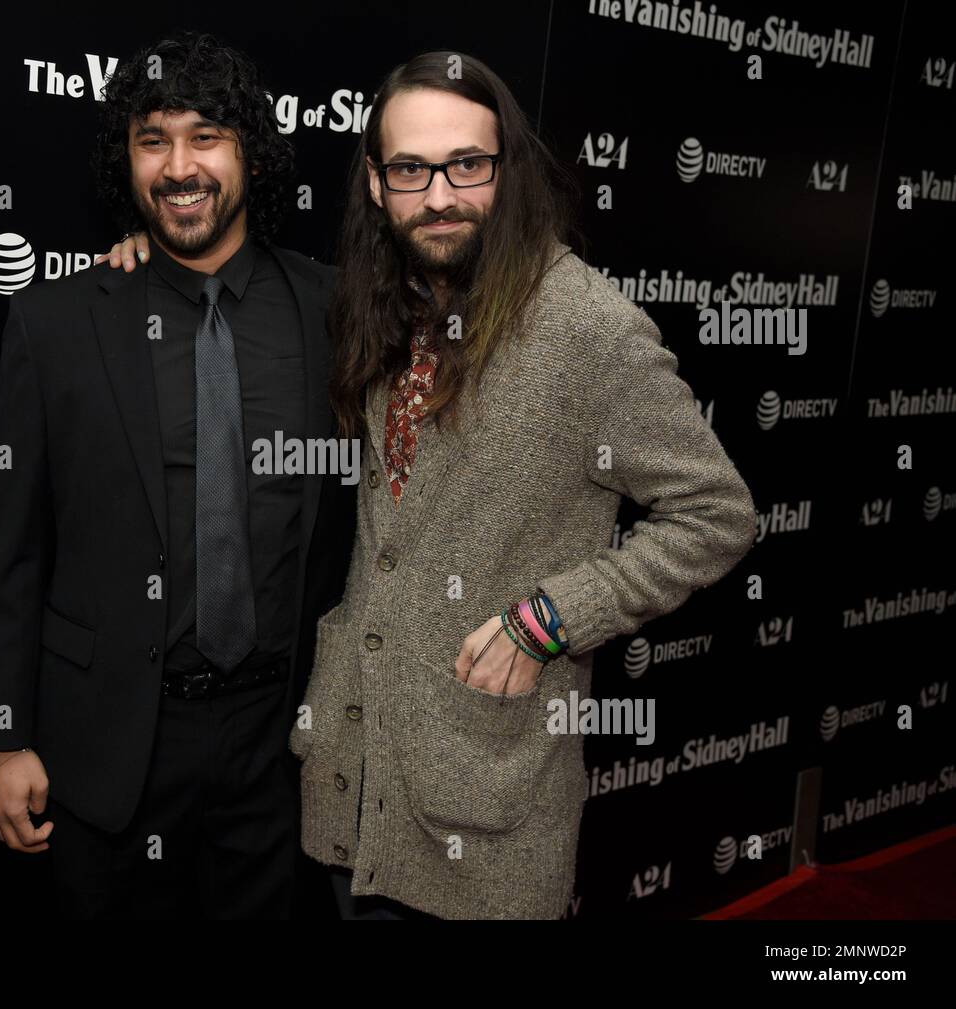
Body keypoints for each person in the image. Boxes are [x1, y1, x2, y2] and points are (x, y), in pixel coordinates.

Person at [106, 50, 758, 919]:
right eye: (410, 168)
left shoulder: (584, 324)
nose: (439, 194)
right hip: (351, 792)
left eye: (467, 165)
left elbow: (717, 513)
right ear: (377, 185)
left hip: (488, 806)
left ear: (508, 170)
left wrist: (550, 620)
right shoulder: (378, 305)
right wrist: (154, 257)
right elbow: (236, 280)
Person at [0, 31, 355, 918]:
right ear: (128, 161)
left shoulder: (335, 311)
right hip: (106, 749)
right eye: (153, 139)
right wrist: (1, 739)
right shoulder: (57, 322)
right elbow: (12, 550)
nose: (180, 167)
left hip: (279, 749)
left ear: (251, 152)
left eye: (206, 135)